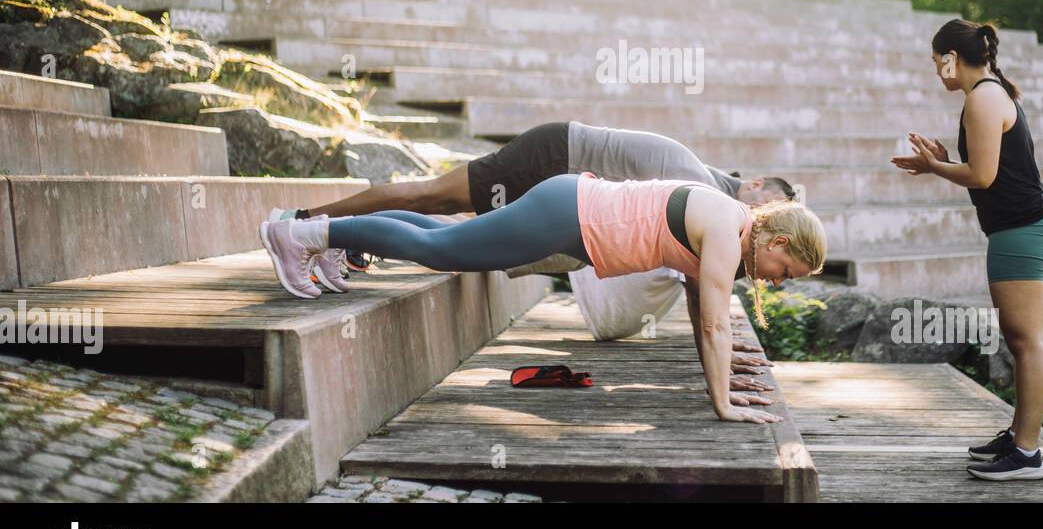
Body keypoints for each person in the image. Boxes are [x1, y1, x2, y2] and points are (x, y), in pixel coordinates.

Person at [260, 171, 826, 424]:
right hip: (568, 215)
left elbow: (709, 318)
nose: (777, 280)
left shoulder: (730, 226)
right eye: (785, 269)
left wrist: (727, 388)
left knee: (445, 240)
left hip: (570, 208)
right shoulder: (730, 233)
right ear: (775, 239)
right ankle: (304, 234)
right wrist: (723, 404)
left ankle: (326, 236)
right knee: (443, 252)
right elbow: (714, 327)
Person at [276, 120, 794, 356]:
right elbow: (699, 285)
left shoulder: (717, 197)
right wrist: (721, 345)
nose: (759, 220)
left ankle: (324, 236)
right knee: (431, 200)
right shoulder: (709, 191)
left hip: (566, 201)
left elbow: (700, 284)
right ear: (754, 188)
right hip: (551, 164)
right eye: (764, 207)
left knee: (445, 229)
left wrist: (722, 346)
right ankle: (306, 222)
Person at [891, 19, 1043, 482]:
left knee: (1026, 342)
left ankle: (1027, 454)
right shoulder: (987, 94)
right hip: (1019, 229)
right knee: (1021, 340)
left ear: (951, 57)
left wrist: (936, 167)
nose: (936, 72)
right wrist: (943, 163)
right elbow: (988, 168)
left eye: (935, 62)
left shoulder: (983, 98)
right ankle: (1019, 437)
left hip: (1022, 230)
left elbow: (983, 176)